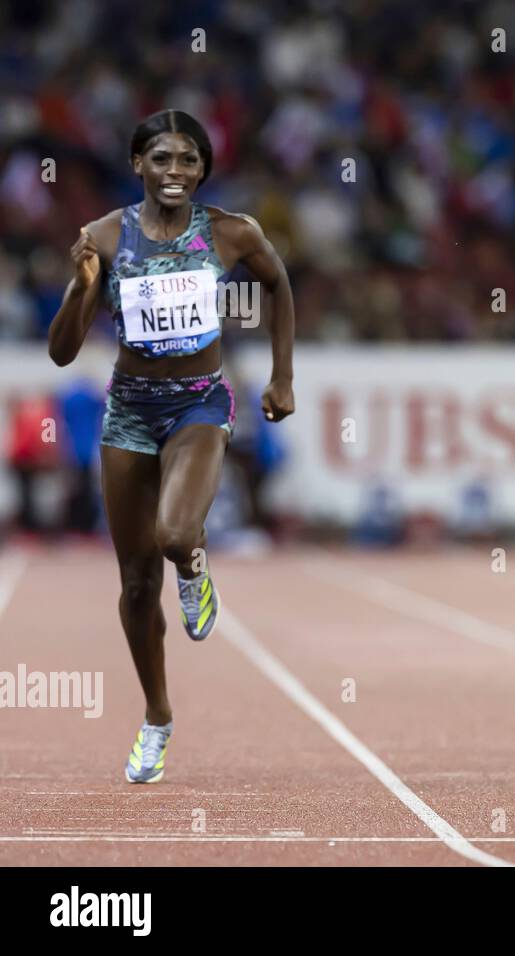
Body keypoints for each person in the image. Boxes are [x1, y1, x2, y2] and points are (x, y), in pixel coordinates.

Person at [47, 110, 295, 783]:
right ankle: (157, 719)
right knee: (132, 584)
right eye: (162, 159)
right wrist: (81, 285)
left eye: (189, 160)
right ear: (138, 165)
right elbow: (63, 351)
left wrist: (281, 375)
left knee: (176, 533)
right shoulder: (104, 236)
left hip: (199, 403)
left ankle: (194, 570)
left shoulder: (231, 233)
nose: (176, 172)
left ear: (203, 169)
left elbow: (277, 284)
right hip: (128, 411)